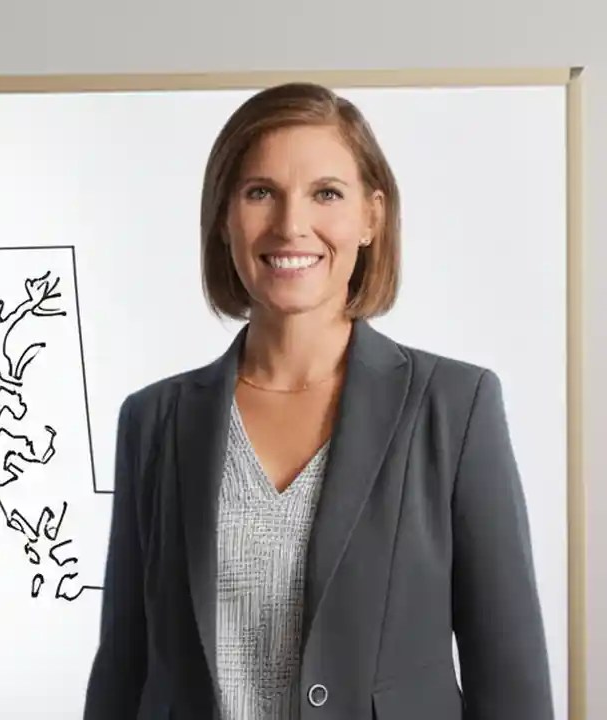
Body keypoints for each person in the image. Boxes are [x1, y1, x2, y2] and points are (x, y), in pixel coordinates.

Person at [81, 82, 554, 720]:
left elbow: (512, 683)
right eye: (260, 193)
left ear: (371, 217)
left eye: (325, 193)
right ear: (224, 219)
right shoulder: (154, 421)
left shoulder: (456, 408)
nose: (290, 224)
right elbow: (122, 674)